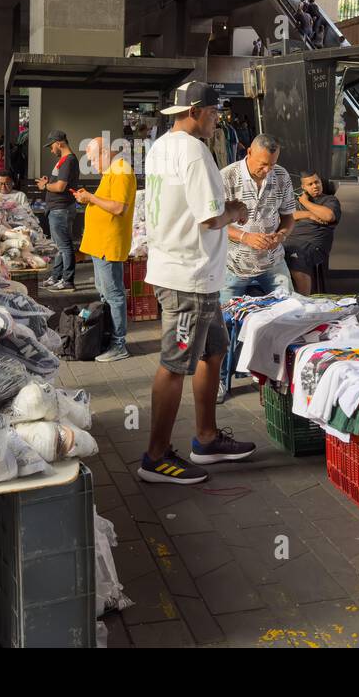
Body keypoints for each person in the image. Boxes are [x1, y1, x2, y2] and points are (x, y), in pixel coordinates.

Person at [140, 81, 255, 485]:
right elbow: (209, 217)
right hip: (186, 278)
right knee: (175, 365)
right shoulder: (194, 152)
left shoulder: (160, 146)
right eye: (213, 113)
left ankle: (206, 439)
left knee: (214, 352)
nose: (217, 120)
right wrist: (237, 210)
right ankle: (155, 458)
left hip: (196, 276)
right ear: (194, 111)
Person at [75, 137, 138, 362]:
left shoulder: (121, 171)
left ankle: (118, 343)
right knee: (106, 292)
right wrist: (89, 200)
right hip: (100, 244)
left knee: (113, 294)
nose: (92, 165)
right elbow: (108, 203)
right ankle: (110, 336)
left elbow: (119, 207)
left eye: (92, 160)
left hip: (108, 244)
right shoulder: (113, 172)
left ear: (104, 152)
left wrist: (90, 197)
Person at [219, 134, 296, 303]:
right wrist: (244, 237)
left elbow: (288, 216)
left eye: (272, 164)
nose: (268, 170)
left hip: (274, 263)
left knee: (290, 311)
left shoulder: (281, 176)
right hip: (232, 265)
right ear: (249, 152)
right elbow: (213, 223)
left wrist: (281, 235)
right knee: (225, 320)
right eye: (263, 164)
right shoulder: (226, 177)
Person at [283, 171, 342, 295]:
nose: (315, 186)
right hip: (289, 240)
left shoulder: (329, 200)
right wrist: (309, 214)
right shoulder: (295, 202)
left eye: (317, 182)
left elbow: (328, 215)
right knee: (272, 254)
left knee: (295, 256)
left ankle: (304, 299)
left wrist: (305, 202)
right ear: (303, 187)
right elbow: (285, 216)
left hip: (312, 243)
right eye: (310, 184)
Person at [38, 130, 81, 292]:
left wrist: (45, 186)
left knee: (64, 246)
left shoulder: (68, 161)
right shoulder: (65, 160)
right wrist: (48, 182)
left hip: (60, 209)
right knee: (60, 246)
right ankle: (56, 276)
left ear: (59, 143)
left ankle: (67, 280)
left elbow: (60, 186)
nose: (51, 150)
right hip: (60, 208)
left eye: (51, 146)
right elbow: (60, 183)